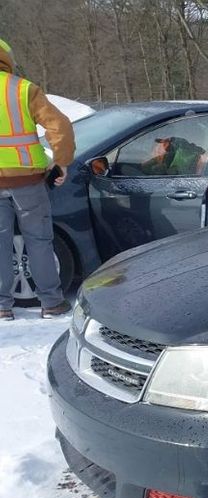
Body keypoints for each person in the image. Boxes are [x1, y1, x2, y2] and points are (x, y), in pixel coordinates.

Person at [0, 38, 75, 320]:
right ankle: (52, 303)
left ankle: (2, 307)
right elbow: (60, 125)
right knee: (39, 240)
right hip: (28, 182)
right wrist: (62, 161)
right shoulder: (23, 89)